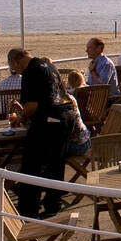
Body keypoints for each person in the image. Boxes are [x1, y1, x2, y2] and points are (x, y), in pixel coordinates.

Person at [7, 48, 76, 218]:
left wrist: (21, 117)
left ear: (16, 61)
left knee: (31, 166)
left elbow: (32, 105)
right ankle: (53, 205)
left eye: (14, 68)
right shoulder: (48, 65)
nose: (17, 72)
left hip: (49, 121)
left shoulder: (31, 72)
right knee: (55, 165)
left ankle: (28, 210)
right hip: (65, 117)